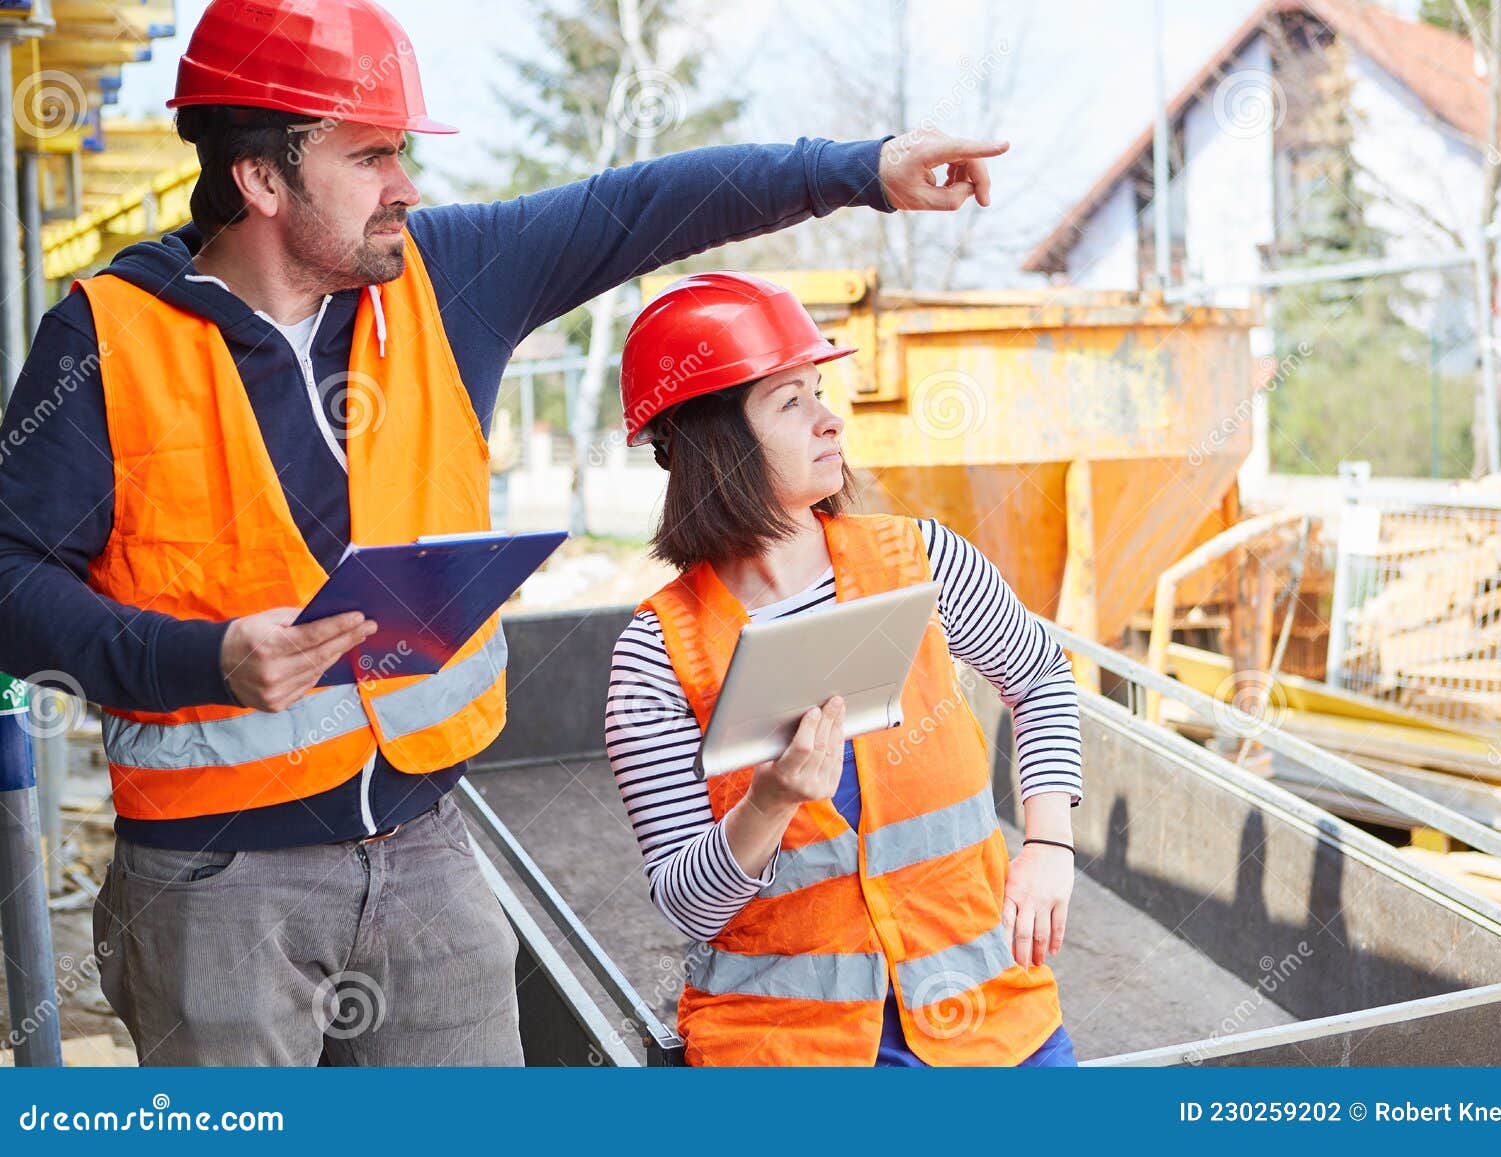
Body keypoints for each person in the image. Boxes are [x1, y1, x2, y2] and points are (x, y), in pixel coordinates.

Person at [0, 0, 1009, 1066]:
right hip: (215, 885)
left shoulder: (447, 278)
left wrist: (866, 168)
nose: (406, 184)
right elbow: (10, 581)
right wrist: (196, 658)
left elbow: (642, 205)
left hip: (429, 853)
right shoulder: (105, 340)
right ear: (260, 177)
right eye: (371, 155)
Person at [604, 273, 1084, 1066]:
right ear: (711, 443)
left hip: (992, 1022)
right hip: (790, 1051)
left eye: (818, 391)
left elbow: (1041, 677)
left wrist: (1049, 844)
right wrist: (770, 801)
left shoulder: (920, 560)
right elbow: (694, 907)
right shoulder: (658, 653)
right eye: (791, 402)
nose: (830, 422)